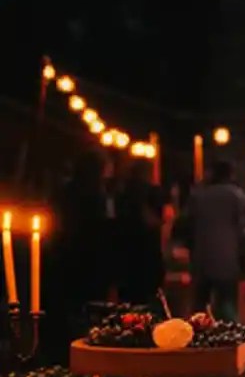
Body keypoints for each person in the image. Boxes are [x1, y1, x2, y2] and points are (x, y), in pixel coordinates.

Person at [45, 151, 112, 364]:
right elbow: (102, 232)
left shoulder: (63, 192)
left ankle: (65, 359)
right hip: (88, 263)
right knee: (85, 317)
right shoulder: (96, 196)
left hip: (63, 260)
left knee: (66, 316)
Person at [188, 159, 245, 321]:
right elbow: (242, 227)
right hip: (227, 254)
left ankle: (197, 333)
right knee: (227, 300)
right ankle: (228, 330)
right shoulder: (236, 195)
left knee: (201, 301)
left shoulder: (199, 195)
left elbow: (189, 224)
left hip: (202, 255)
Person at [115, 159, 165, 305]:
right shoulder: (150, 192)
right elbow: (155, 220)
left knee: (128, 300)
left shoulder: (122, 193)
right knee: (148, 298)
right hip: (147, 252)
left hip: (126, 254)